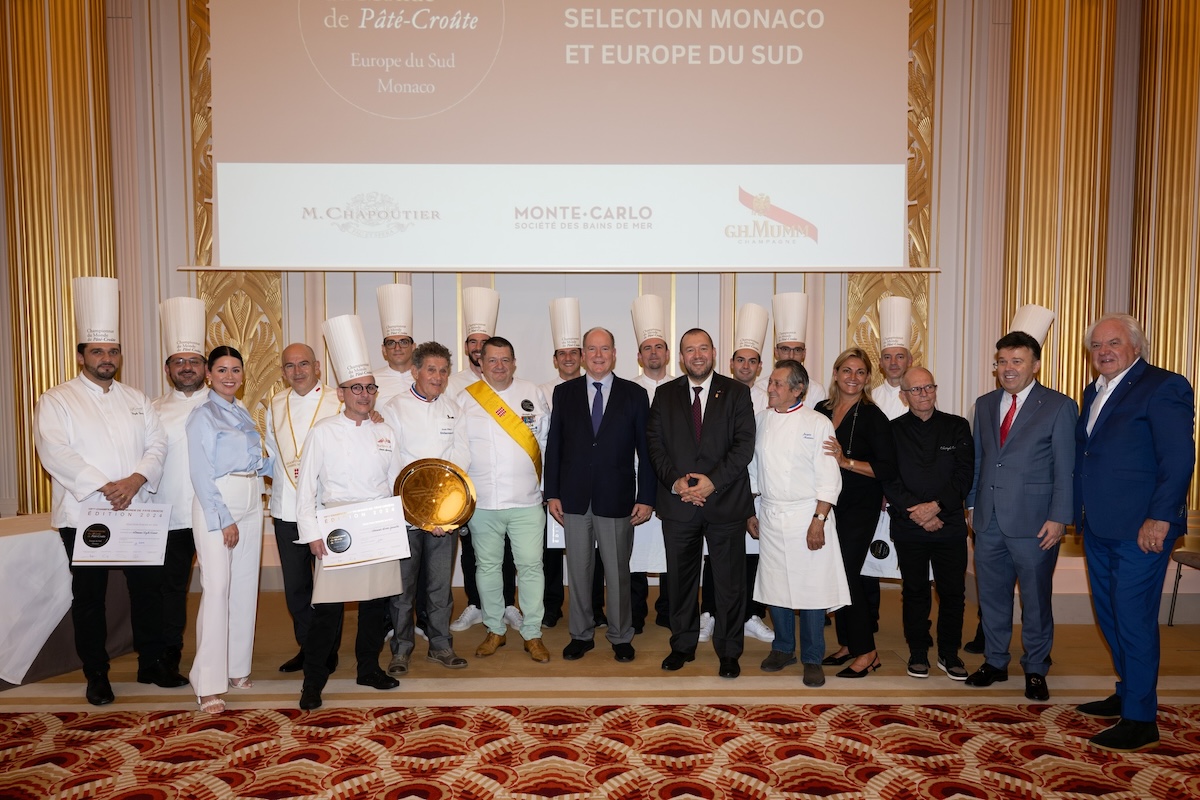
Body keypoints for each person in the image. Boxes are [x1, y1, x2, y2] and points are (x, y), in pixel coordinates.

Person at [33, 277, 177, 706]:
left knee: (147, 591)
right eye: (98, 351)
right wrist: (105, 485)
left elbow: (158, 444)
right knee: (90, 598)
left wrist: (135, 481)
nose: (107, 358)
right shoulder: (56, 400)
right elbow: (54, 451)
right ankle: (96, 673)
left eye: (113, 351)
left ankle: (152, 664)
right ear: (82, 356)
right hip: (86, 514)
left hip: (136, 509)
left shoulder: (137, 398)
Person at [1073, 313, 1195, 753]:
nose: (1104, 351)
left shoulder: (1164, 386)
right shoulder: (1095, 391)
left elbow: (1179, 458)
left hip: (1143, 528)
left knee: (1133, 616)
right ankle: (1127, 692)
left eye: (1114, 343)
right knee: (1109, 613)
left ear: (1136, 347)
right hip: (1100, 525)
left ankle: (1141, 718)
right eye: (1097, 345)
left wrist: (1160, 518)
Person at [295, 315, 405, 710]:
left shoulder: (385, 431)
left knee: (377, 608)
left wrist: (402, 525)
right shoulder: (323, 431)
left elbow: (396, 484)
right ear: (340, 393)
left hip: (377, 526)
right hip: (338, 528)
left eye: (369, 388)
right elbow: (305, 487)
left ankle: (368, 668)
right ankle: (313, 681)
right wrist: (311, 533)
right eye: (356, 388)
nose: (364, 394)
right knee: (327, 612)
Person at [965, 325, 1076, 702]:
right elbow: (979, 460)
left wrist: (1060, 516)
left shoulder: (1059, 406)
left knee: (1035, 598)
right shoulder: (983, 404)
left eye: (1017, 361)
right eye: (1002, 362)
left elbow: (1066, 467)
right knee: (993, 598)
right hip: (988, 520)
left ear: (1036, 365)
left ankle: (1035, 667)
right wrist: (971, 504)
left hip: (1036, 522)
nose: (1008, 368)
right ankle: (995, 662)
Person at [646, 328, 756, 678]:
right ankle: (682, 645)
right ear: (681, 357)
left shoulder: (737, 392)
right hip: (679, 503)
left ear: (713, 352)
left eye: (703, 348)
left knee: (728, 582)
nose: (697, 355)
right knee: (680, 581)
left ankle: (729, 650)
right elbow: (654, 444)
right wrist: (677, 483)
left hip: (725, 503)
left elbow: (744, 445)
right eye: (690, 350)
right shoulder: (665, 395)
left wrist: (712, 482)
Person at [545, 327, 656, 663]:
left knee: (618, 572)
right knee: (578, 571)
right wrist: (552, 493)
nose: (597, 355)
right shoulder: (564, 393)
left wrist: (647, 496)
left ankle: (621, 636)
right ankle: (581, 634)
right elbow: (555, 448)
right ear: (581, 354)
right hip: (574, 498)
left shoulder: (634, 394)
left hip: (617, 497)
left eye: (603, 349)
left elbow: (647, 451)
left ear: (614, 353)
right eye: (591, 349)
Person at [750, 360, 849, 688]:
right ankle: (782, 648)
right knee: (774, 586)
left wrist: (818, 520)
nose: (771, 389)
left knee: (811, 590)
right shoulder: (761, 421)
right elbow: (752, 472)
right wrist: (750, 512)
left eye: (778, 384)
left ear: (798, 390)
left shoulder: (818, 423)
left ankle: (812, 657)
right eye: (771, 383)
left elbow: (828, 475)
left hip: (808, 515)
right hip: (771, 513)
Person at [186, 345, 273, 714]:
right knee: (218, 588)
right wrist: (223, 518)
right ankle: (206, 683)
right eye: (221, 370)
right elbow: (201, 473)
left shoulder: (240, 411)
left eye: (235, 370)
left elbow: (256, 460)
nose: (229, 376)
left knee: (243, 587)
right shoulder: (202, 416)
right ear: (209, 374)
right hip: (218, 502)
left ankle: (236, 667)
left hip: (252, 498)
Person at [380, 341, 471, 676]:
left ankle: (441, 645)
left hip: (443, 515)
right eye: (431, 370)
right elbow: (391, 460)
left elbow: (462, 454)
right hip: (405, 513)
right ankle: (401, 649)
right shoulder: (394, 408)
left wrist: (441, 504)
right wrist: (413, 505)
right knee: (403, 588)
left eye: (443, 370)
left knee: (438, 585)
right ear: (415, 372)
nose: (438, 376)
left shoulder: (453, 408)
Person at [461, 336, 552, 662]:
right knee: (487, 568)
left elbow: (545, 442)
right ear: (480, 363)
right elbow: (457, 451)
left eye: (505, 360)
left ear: (514, 362)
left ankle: (532, 633)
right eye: (492, 360)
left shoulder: (533, 392)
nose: (499, 366)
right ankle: (495, 629)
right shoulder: (466, 399)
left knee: (531, 567)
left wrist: (547, 489)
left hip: (527, 501)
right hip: (483, 503)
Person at [882, 367, 974, 682]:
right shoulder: (891, 431)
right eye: (916, 389)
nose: (924, 394)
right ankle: (918, 652)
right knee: (916, 591)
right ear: (903, 395)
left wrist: (935, 508)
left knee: (953, 592)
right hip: (909, 525)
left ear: (935, 389)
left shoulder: (957, 427)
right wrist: (916, 511)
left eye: (928, 387)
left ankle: (950, 653)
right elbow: (889, 479)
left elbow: (964, 475)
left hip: (948, 524)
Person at [816, 348, 896, 678]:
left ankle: (867, 651)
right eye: (846, 370)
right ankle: (848, 643)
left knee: (847, 576)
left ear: (867, 378)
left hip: (859, 506)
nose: (853, 377)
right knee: (836, 574)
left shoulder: (873, 416)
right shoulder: (822, 410)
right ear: (835, 374)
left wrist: (845, 461)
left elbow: (887, 469)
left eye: (860, 372)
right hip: (827, 503)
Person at [446, 287, 521, 634]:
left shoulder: (514, 386)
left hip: (508, 488)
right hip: (470, 485)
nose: (478, 348)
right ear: (466, 348)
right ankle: (476, 604)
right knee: (472, 552)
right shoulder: (455, 385)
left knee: (506, 552)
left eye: (484, 343)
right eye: (472, 342)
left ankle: (507, 604)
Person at [264, 343, 342, 673]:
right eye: (290, 366)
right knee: (297, 587)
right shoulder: (274, 404)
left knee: (329, 586)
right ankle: (308, 647)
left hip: (326, 506)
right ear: (282, 372)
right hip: (286, 508)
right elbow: (270, 451)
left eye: (304, 364)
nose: (297, 371)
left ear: (318, 366)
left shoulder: (337, 400)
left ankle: (328, 649)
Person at [539, 298, 605, 630]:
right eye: (561, 353)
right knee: (552, 553)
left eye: (572, 353)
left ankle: (595, 606)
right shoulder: (541, 392)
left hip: (590, 486)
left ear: (580, 357)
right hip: (557, 485)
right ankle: (552, 607)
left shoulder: (594, 390)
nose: (567, 358)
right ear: (554, 359)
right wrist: (550, 490)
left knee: (593, 552)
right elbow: (545, 444)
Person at [150, 297, 207, 676]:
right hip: (169, 514)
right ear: (168, 368)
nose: (186, 368)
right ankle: (169, 654)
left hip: (216, 513)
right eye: (179, 362)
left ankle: (220, 653)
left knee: (222, 588)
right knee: (170, 590)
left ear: (205, 366)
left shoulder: (228, 406)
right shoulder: (151, 409)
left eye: (193, 361)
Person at [717, 302, 773, 645]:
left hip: (761, 489)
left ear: (760, 366)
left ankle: (753, 614)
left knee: (757, 557)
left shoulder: (772, 396)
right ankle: (713, 613)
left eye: (752, 361)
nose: (746, 366)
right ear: (731, 363)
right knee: (721, 556)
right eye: (741, 360)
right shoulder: (718, 394)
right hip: (726, 487)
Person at [629, 294, 673, 632]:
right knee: (635, 552)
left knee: (674, 550)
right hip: (636, 481)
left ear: (668, 354)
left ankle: (669, 610)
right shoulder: (628, 391)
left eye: (659, 346)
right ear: (639, 355)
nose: (654, 352)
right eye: (648, 347)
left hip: (673, 483)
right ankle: (635, 614)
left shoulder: (682, 389)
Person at [755, 292, 826, 407]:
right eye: (785, 349)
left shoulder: (816, 391)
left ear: (804, 353)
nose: (791, 356)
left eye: (797, 350)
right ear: (776, 352)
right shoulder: (760, 389)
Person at [374, 283, 416, 404]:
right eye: (391, 343)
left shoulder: (426, 378)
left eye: (403, 342)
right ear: (384, 349)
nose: (397, 348)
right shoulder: (371, 382)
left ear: (413, 347)